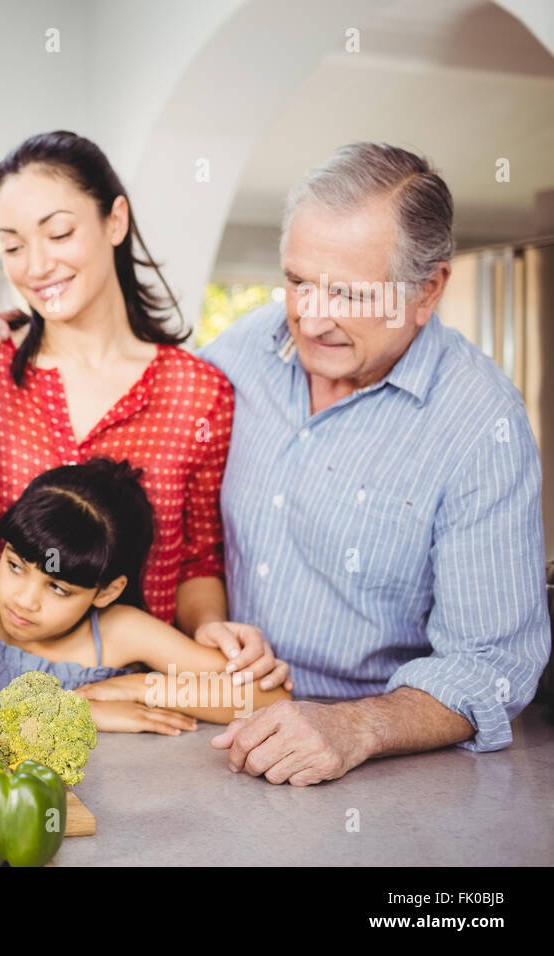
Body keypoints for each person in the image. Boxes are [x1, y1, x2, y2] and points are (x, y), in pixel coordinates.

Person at [192, 143, 549, 784]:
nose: (310, 315)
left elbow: (489, 667)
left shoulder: (479, 424)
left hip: (372, 762)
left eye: (350, 295)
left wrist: (357, 725)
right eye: (298, 280)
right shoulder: (243, 350)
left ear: (428, 290)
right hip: (214, 722)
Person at [0, 131, 290, 692]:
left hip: (145, 709)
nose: (37, 265)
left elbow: (196, 561)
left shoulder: (199, 392)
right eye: (13, 245)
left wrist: (212, 631)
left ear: (115, 221)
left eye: (60, 232)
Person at [0, 458, 290, 732]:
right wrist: (78, 710)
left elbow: (265, 696)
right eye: (15, 566)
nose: (24, 600)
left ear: (107, 591)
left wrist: (139, 686)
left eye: (59, 588)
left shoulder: (119, 630)